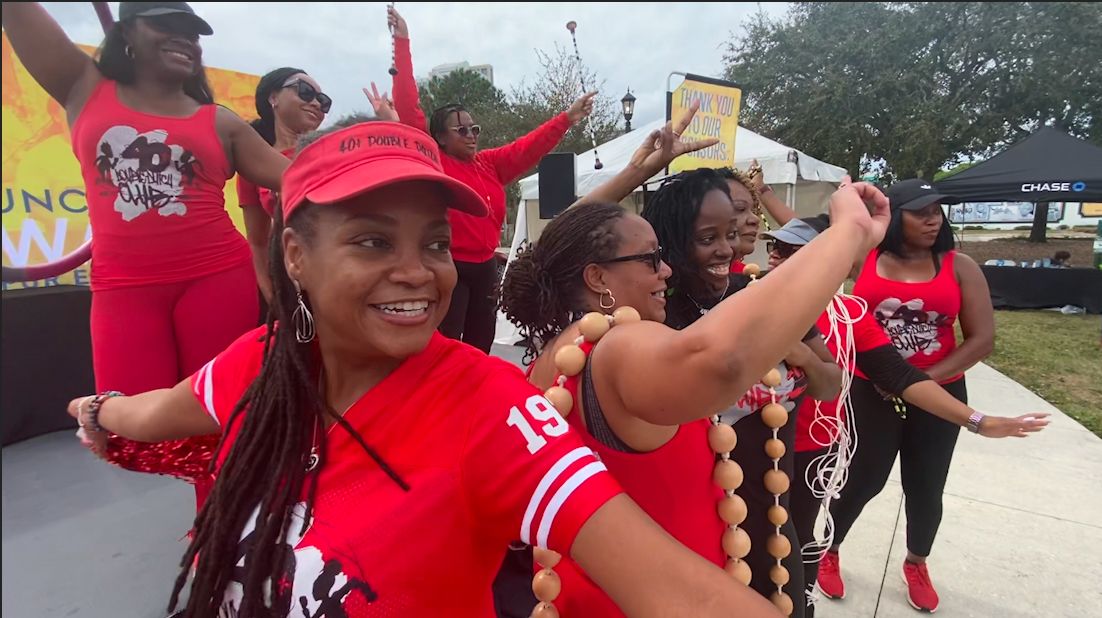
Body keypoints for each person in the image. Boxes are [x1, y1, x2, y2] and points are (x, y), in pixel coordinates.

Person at [68, 119, 797, 618]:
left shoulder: (493, 409)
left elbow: (682, 593)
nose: (417, 273)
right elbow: (147, 413)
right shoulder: (256, 368)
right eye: (373, 242)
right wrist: (98, 412)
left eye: (437, 245)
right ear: (296, 256)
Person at [2, 1, 290, 507]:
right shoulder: (83, 86)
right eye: (168, 25)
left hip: (216, 278)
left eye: (193, 32)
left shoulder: (219, 122)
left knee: (220, 416)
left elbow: (299, 179)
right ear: (128, 34)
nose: (186, 40)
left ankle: (222, 527)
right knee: (132, 437)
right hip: (123, 289)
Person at [762, 215, 1049, 618]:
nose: (776, 257)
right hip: (752, 448)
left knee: (796, 545)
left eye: (793, 251)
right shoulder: (745, 299)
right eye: (775, 248)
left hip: (812, 448)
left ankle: (814, 594)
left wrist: (977, 421)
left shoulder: (849, 316)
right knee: (754, 543)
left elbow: (899, 374)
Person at [639, 169, 844, 618]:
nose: (725, 249)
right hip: (690, 530)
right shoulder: (657, 315)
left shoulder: (764, 297)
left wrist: (796, 352)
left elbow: (831, 384)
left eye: (730, 234)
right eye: (706, 237)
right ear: (672, 241)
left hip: (771, 524)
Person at [817, 179, 997, 613]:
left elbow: (982, 339)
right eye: (921, 211)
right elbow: (813, 262)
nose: (933, 218)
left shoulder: (960, 266)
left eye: (937, 209)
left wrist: (922, 379)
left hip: (939, 389)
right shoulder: (866, 258)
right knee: (862, 479)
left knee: (926, 486)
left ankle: (917, 562)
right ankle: (829, 548)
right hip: (869, 389)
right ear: (895, 216)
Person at [387, 6, 597, 353]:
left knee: (481, 343)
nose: (472, 135)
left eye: (475, 129)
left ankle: (473, 400)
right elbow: (409, 105)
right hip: (448, 266)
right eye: (462, 130)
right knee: (445, 344)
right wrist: (402, 40)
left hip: (485, 268)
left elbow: (528, 148)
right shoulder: (434, 160)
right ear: (439, 137)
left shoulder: (488, 164)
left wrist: (567, 118)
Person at [238, 67, 332, 300]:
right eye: (305, 91)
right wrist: (270, 293)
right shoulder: (253, 163)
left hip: (337, 275)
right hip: (288, 282)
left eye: (323, 101)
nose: (317, 104)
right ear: (273, 97)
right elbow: (257, 242)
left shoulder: (331, 152)